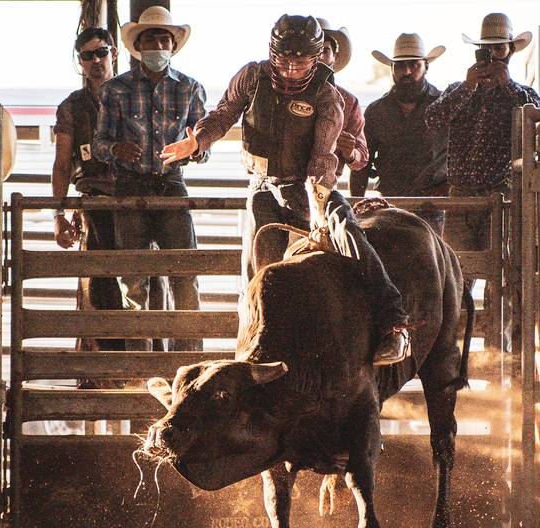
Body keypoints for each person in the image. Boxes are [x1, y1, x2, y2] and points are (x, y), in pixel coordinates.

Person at [161, 14, 409, 365]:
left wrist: (318, 198)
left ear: (315, 57)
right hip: (262, 188)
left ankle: (395, 325)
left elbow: (323, 156)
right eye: (284, 59)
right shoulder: (252, 77)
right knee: (256, 273)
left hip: (307, 184)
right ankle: (255, 352)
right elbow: (224, 113)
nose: (292, 68)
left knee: (348, 233)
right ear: (272, 54)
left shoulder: (327, 96)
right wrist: (198, 140)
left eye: (301, 60)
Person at [93, 5, 206, 351]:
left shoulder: (190, 88)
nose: (158, 45)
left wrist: (194, 148)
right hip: (130, 186)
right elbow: (99, 143)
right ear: (139, 47)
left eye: (163, 39)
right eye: (151, 39)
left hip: (171, 183)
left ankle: (188, 357)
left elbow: (203, 144)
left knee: (184, 274)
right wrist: (115, 151)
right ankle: (139, 363)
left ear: (172, 46)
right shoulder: (115, 90)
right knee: (133, 278)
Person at [425, 13, 540, 258]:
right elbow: (432, 119)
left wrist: (508, 84)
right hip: (461, 194)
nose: (492, 56)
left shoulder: (522, 93)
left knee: (502, 267)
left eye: (498, 49)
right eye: (487, 50)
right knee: (459, 269)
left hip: (500, 192)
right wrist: (468, 87)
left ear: (510, 51)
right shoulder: (459, 89)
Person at [52, 27, 124, 351]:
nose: (96, 60)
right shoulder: (71, 107)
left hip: (132, 199)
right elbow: (62, 164)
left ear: (114, 54)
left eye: (102, 52)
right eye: (88, 55)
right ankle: (104, 367)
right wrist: (58, 214)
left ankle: (140, 362)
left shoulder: (133, 96)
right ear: (79, 62)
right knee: (99, 284)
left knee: (140, 279)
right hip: (93, 202)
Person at [353, 32, 448, 236]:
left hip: (433, 207)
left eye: (414, 65)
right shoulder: (376, 111)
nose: (407, 71)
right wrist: (355, 208)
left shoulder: (444, 105)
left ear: (426, 66)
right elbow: (362, 164)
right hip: (391, 205)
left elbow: (459, 152)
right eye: (401, 65)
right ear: (392, 69)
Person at [315, 18, 369, 185]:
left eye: (325, 51)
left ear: (335, 57)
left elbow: (362, 155)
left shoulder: (348, 102)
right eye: (313, 51)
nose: (319, 57)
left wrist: (350, 152)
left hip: (324, 190)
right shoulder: (283, 95)